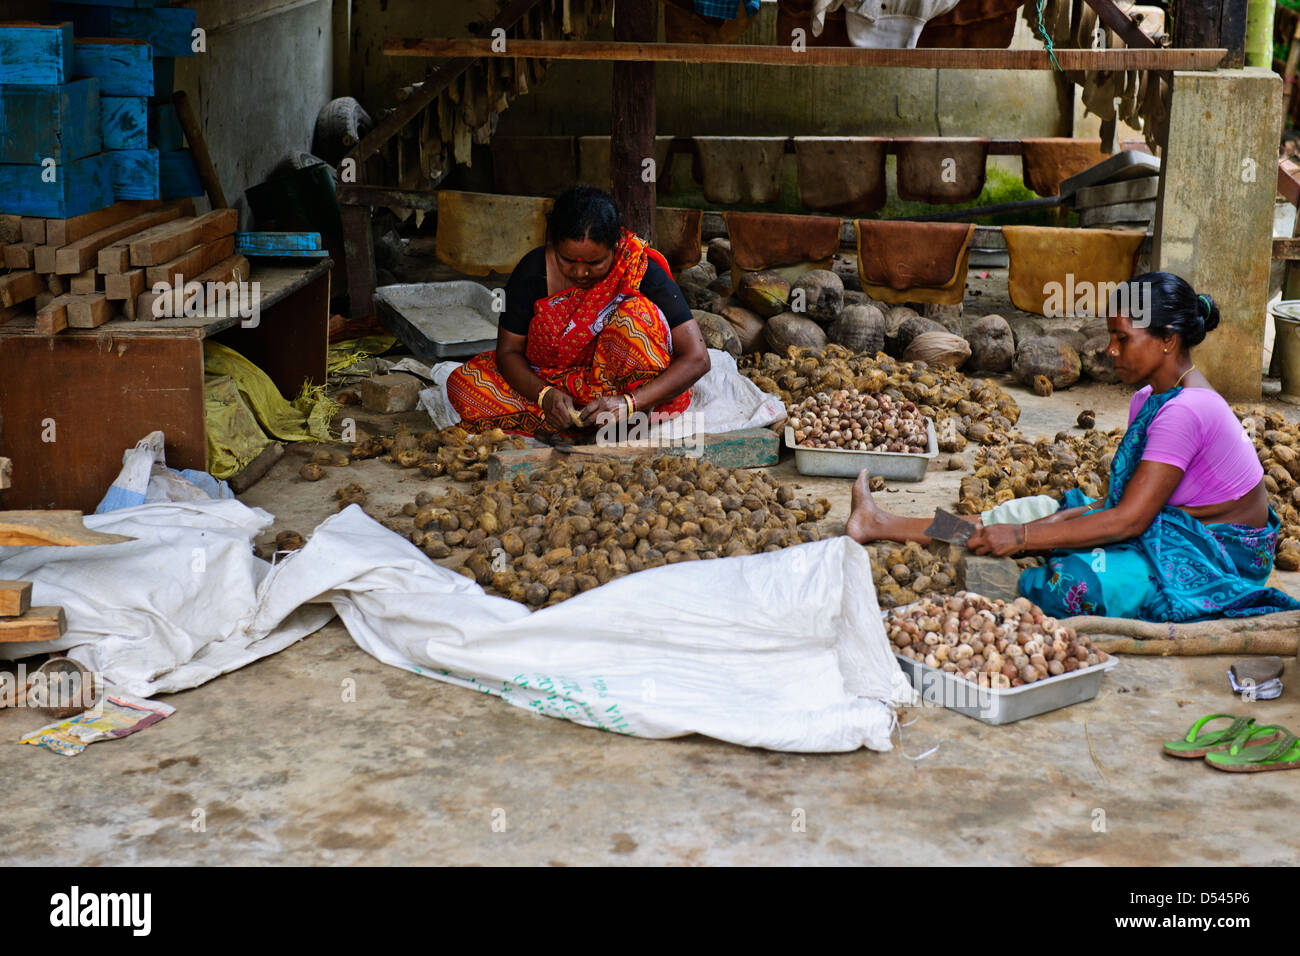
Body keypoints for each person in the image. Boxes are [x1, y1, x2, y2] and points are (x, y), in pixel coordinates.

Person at [846, 271, 1300, 622]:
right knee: (1023, 512)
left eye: (1123, 338)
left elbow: (1128, 518)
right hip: (1166, 524)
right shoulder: (1151, 396)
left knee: (1072, 584)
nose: (1111, 350)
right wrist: (1053, 520)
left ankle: (1014, 574)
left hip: (1219, 553)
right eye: (1111, 337)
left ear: (1167, 340)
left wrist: (1027, 539)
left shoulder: (1188, 410)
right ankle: (881, 522)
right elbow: (1124, 504)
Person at [446, 186, 710, 435]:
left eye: (595, 263)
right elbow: (508, 352)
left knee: (638, 316)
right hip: (553, 387)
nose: (580, 272)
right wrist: (544, 395)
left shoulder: (637, 269)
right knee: (465, 383)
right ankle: (575, 423)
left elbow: (697, 358)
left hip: (622, 392)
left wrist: (628, 403)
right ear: (553, 245)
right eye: (567, 260)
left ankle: (626, 418)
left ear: (615, 245)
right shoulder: (532, 273)